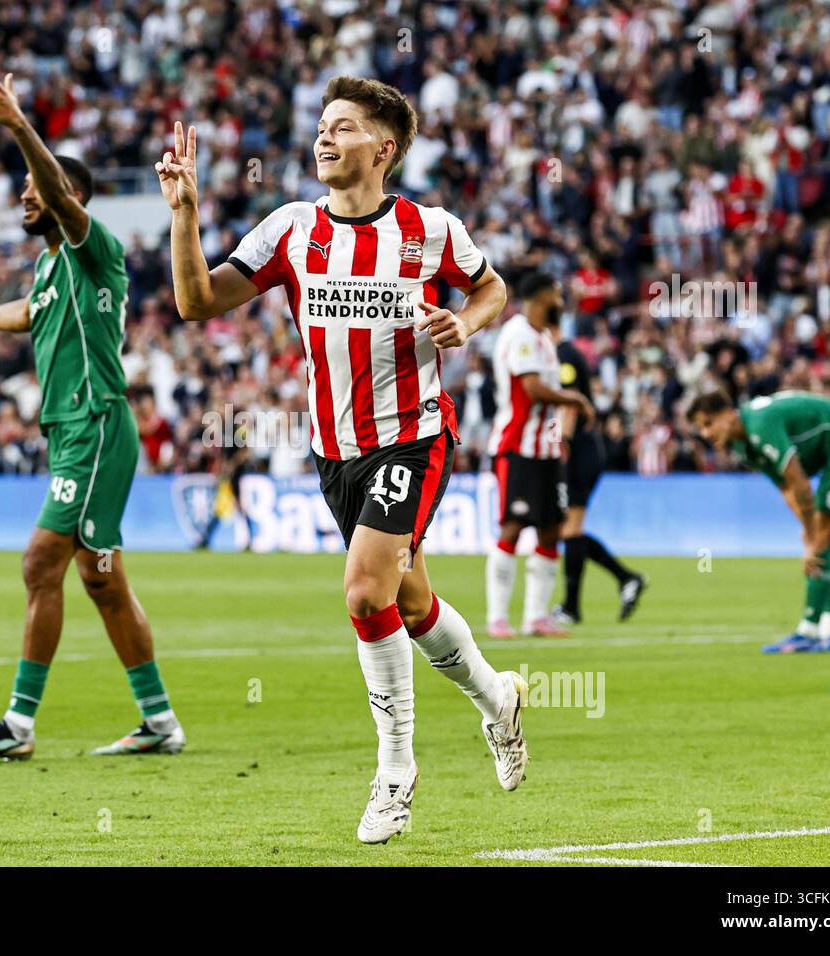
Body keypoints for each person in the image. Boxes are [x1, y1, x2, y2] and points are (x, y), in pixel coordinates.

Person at [158, 75, 528, 845]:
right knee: (412, 605)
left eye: (345, 127)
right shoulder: (293, 229)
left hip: (413, 436)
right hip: (335, 453)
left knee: (364, 592)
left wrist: (467, 322)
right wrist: (185, 216)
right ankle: (498, 700)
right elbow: (196, 302)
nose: (326, 137)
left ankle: (396, 771)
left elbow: (492, 288)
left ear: (383, 149)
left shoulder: (429, 229)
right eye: (323, 125)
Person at [0, 69, 184, 759]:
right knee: (100, 579)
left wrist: (16, 125)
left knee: (42, 563)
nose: (23, 196)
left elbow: (60, 196)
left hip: (96, 424)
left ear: (67, 199)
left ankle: (17, 725)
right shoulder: (47, 271)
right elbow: (30, 311)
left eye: (34, 189)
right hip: (76, 430)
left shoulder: (91, 247)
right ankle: (159, 721)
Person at [688, 389, 830, 653]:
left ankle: (809, 630)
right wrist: (808, 532)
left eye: (708, 424)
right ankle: (825, 632)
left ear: (728, 414)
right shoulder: (740, 444)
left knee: (820, 538)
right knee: (820, 538)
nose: (706, 434)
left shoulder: (759, 423)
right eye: (701, 428)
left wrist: (812, 539)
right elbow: (786, 488)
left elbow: (800, 483)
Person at [484, 273, 594, 638]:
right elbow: (532, 390)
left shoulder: (545, 338)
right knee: (513, 527)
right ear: (542, 297)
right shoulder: (518, 334)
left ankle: (536, 617)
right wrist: (575, 399)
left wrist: (557, 438)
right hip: (517, 447)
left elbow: (545, 402)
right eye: (557, 296)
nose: (561, 303)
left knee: (550, 530)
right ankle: (498, 617)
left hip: (545, 449)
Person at [550, 332, 647, 627]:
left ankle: (572, 607)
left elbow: (569, 403)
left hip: (579, 451)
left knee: (570, 529)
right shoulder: (567, 353)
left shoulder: (564, 354)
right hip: (584, 449)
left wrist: (561, 441)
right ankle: (626, 578)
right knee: (569, 531)